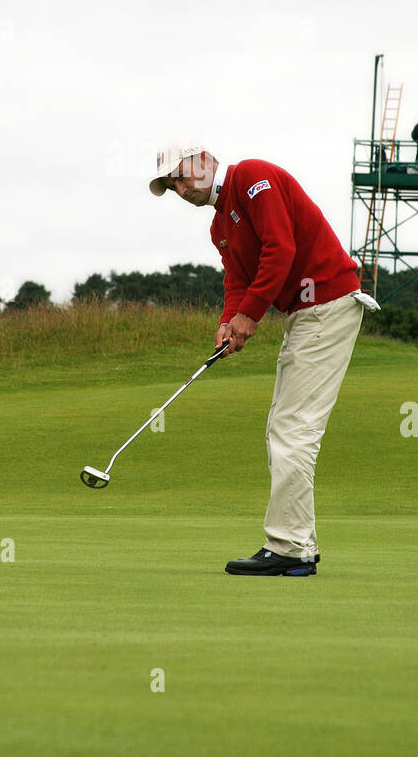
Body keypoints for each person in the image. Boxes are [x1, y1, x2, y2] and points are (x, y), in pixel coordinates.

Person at [149, 144, 380, 577]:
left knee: (292, 429)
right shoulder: (220, 225)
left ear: (204, 161)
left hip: (326, 304)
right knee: (285, 426)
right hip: (307, 313)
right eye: (172, 185)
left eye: (181, 177)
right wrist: (228, 321)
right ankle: (297, 546)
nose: (180, 189)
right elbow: (238, 277)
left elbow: (280, 249)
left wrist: (248, 315)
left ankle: (291, 548)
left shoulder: (252, 178)